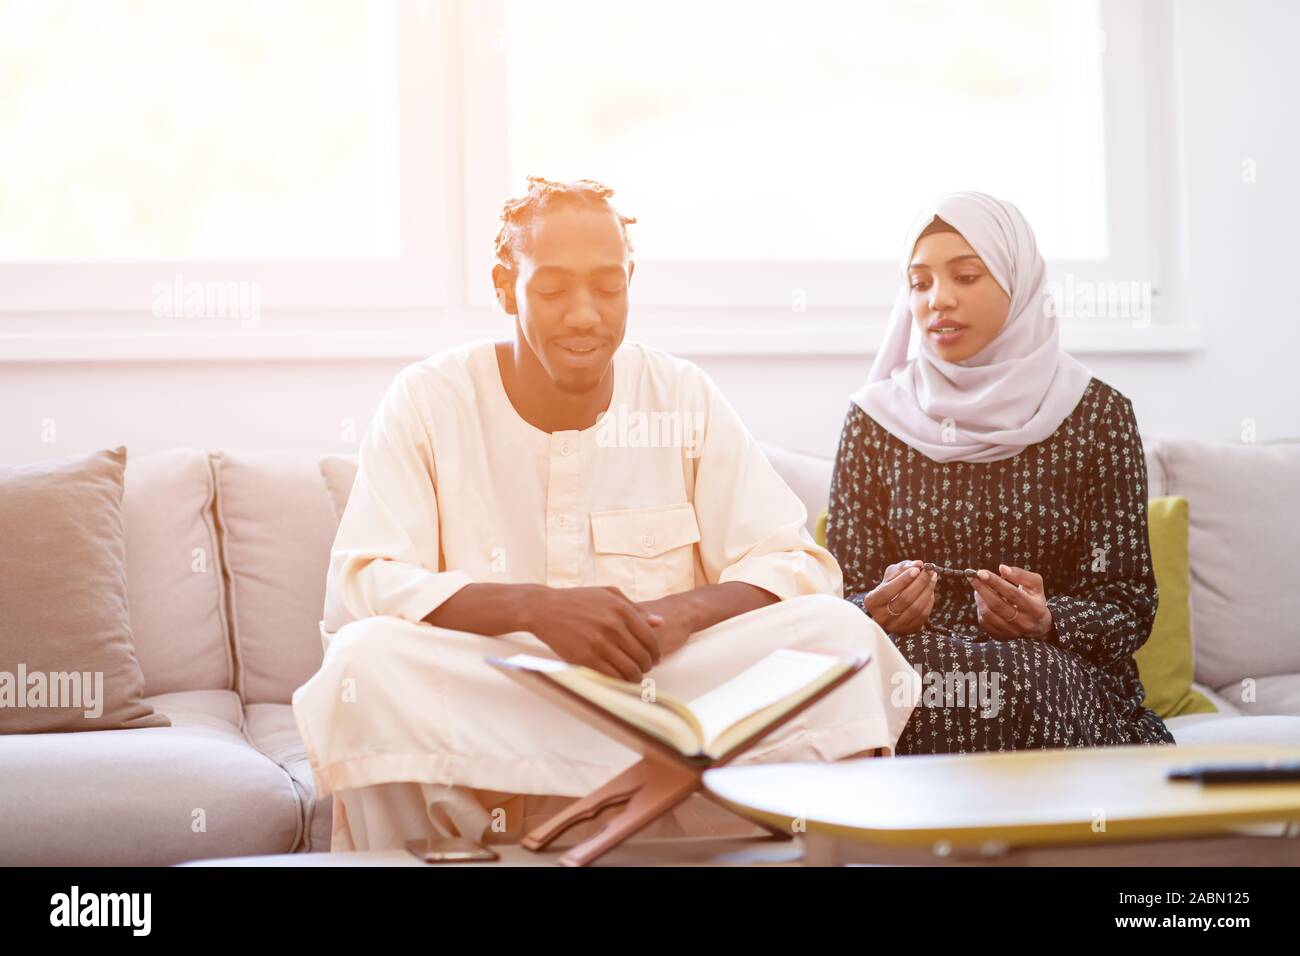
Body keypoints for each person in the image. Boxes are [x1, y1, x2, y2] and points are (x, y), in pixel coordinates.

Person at [292, 176, 919, 852]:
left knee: (836, 632)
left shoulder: (681, 394)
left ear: (630, 282)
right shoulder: (429, 399)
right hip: (499, 690)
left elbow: (795, 563)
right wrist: (532, 609)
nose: (585, 315)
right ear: (505, 285)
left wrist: (685, 613)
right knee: (366, 660)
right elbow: (363, 583)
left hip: (661, 694)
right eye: (554, 290)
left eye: (608, 288)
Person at [825, 190, 1174, 755]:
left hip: (1055, 671)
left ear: (1020, 283)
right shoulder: (875, 420)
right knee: (892, 692)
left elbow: (1128, 604)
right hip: (912, 664)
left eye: (966, 276)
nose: (938, 300)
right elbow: (835, 597)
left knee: (1019, 685)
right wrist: (878, 608)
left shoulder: (1097, 415)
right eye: (920, 283)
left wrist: (1048, 619)